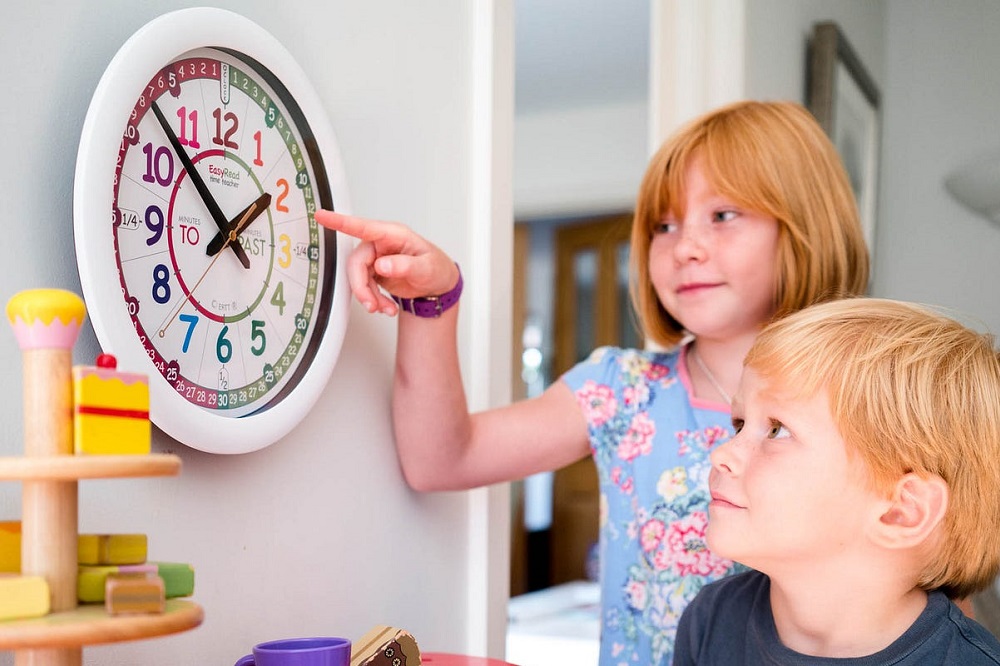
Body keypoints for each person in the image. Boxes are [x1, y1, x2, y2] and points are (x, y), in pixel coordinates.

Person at [315, 100, 870, 665]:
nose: (686, 247)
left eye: (723, 215)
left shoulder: (864, 403)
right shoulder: (623, 389)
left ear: (803, 226)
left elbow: (925, 601)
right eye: (664, 225)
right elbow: (439, 459)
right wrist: (432, 300)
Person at [674, 298, 1000, 665]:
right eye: (739, 424)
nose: (721, 453)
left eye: (778, 430)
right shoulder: (710, 619)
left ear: (901, 511)